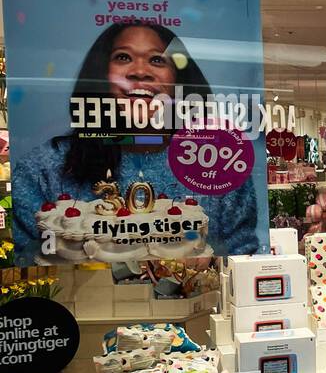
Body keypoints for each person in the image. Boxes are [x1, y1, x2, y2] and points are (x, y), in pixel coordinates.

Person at [12, 21, 264, 261]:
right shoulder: (43, 169)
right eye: (123, 57)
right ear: (100, 73)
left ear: (179, 78)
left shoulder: (219, 162)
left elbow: (241, 255)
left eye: (157, 59)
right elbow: (30, 263)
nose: (140, 72)